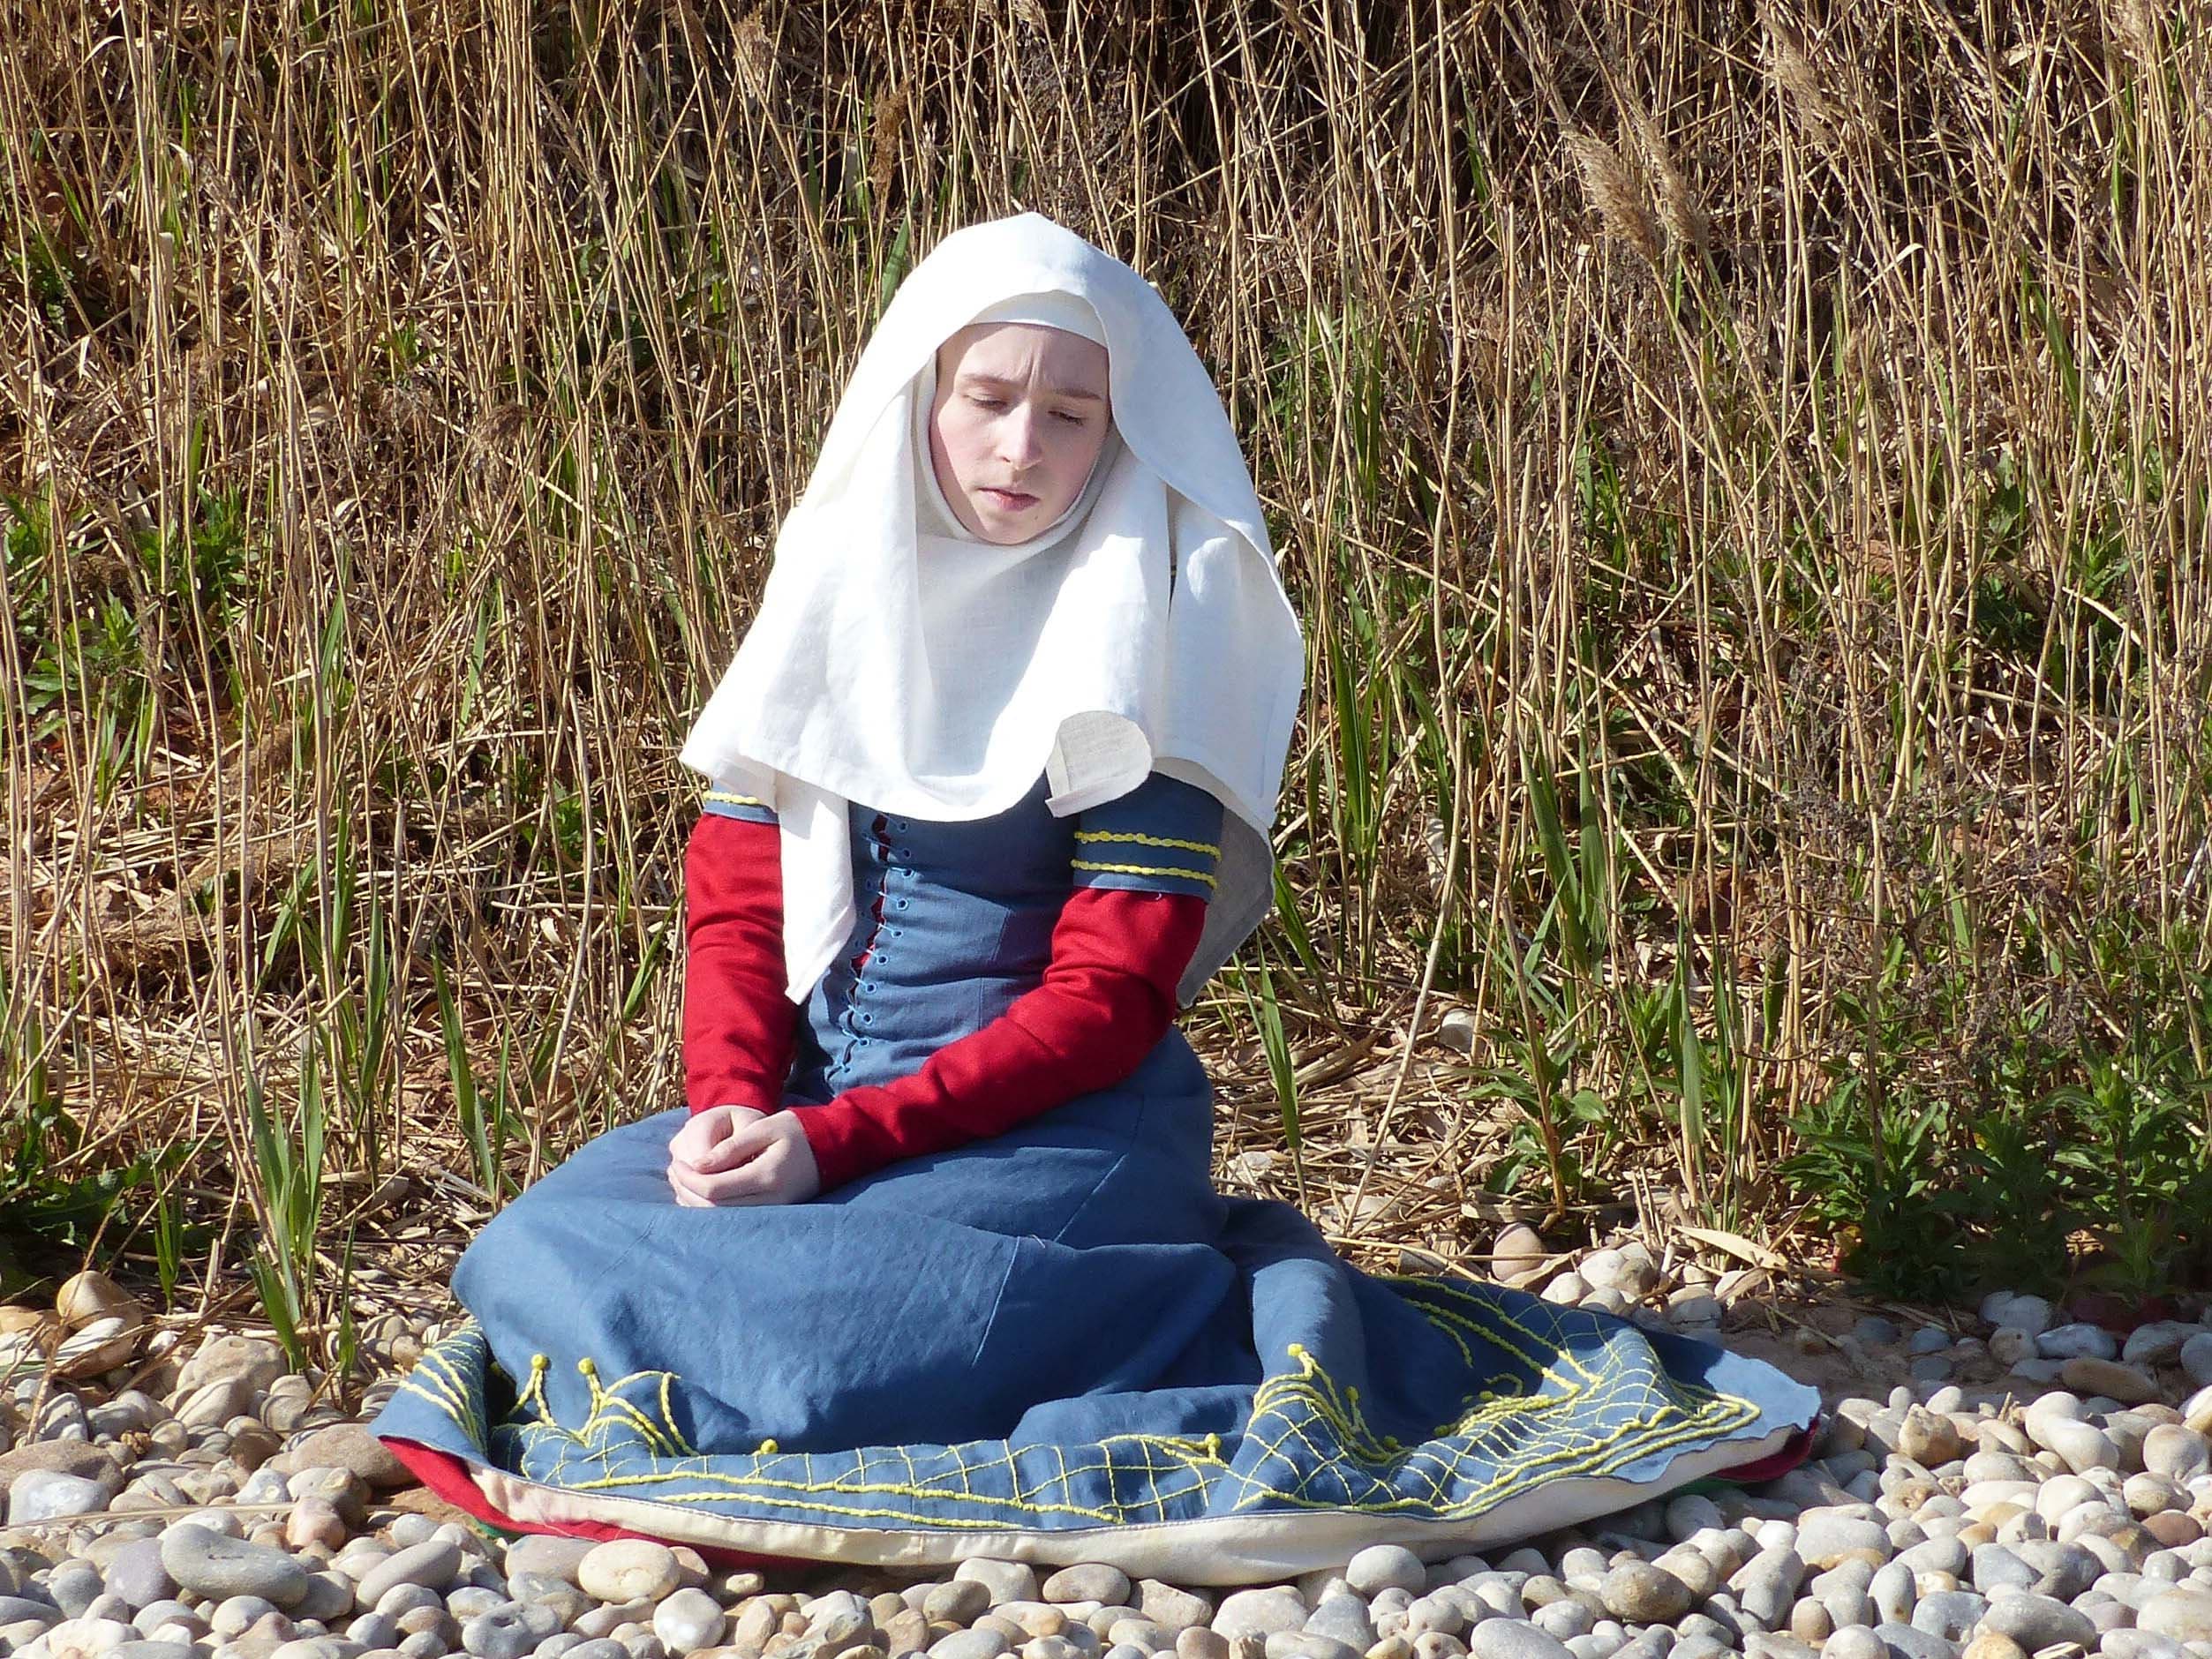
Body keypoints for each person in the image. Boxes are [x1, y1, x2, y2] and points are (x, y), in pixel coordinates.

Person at [372, 214, 1816, 1581]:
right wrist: (733, 1110)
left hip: (1054, 1137)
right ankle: (854, 1322)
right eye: (987, 396)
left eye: (1070, 412)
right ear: (917, 400)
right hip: (817, 1111)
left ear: (1120, 429)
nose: (1021, 444)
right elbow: (739, 915)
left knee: (816, 1336)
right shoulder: (834, 600)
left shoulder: (1147, 643)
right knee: (537, 1240)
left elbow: (1108, 1001)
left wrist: (837, 1143)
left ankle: (1153, 1308)